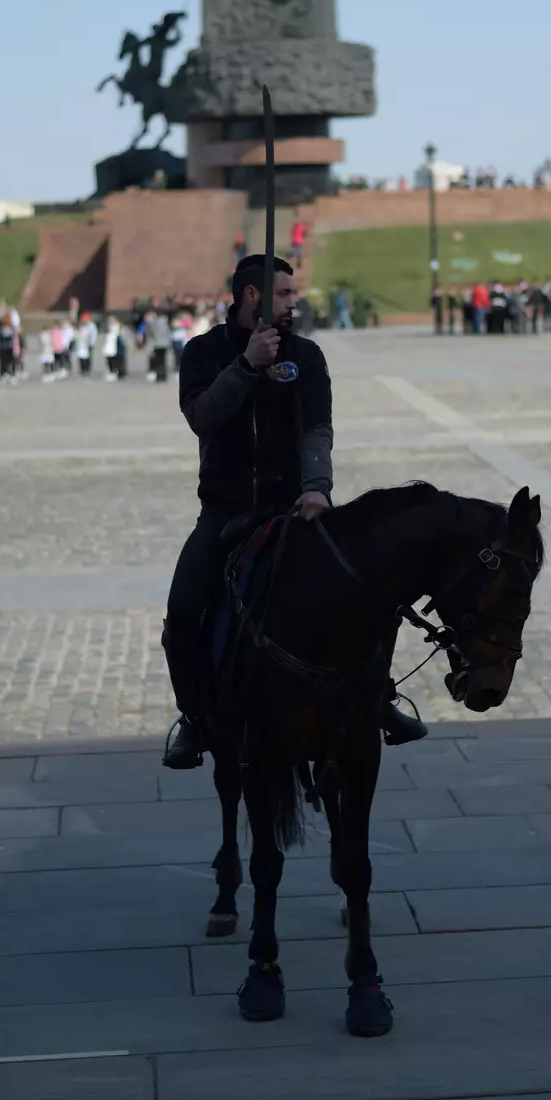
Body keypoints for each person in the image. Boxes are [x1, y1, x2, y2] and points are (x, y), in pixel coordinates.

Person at [161, 252, 428, 769]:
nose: (293, 301)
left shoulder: (306, 354)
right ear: (252, 297)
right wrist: (245, 368)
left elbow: (316, 430)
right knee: (183, 609)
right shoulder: (203, 353)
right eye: (284, 293)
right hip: (226, 511)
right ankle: (194, 717)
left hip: (296, 506)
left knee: (372, 592)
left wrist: (317, 489)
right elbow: (202, 417)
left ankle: (380, 696)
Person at [147, 306, 172, 382]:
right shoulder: (166, 322)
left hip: (157, 343)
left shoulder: (155, 322)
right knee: (163, 359)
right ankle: (163, 375)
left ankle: (159, 375)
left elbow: (152, 332)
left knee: (158, 360)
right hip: (165, 343)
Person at [102, 315, 127, 380]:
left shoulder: (119, 327)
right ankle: (112, 371)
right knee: (110, 360)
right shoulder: (108, 328)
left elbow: (123, 337)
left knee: (119, 360)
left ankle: (120, 372)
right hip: (109, 347)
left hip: (118, 347)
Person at [75, 312, 98, 377]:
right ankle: (82, 369)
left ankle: (87, 369)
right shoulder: (80, 326)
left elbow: (94, 335)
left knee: (88, 357)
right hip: (81, 344)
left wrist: (92, 343)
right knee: (81, 356)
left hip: (88, 343)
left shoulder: (92, 326)